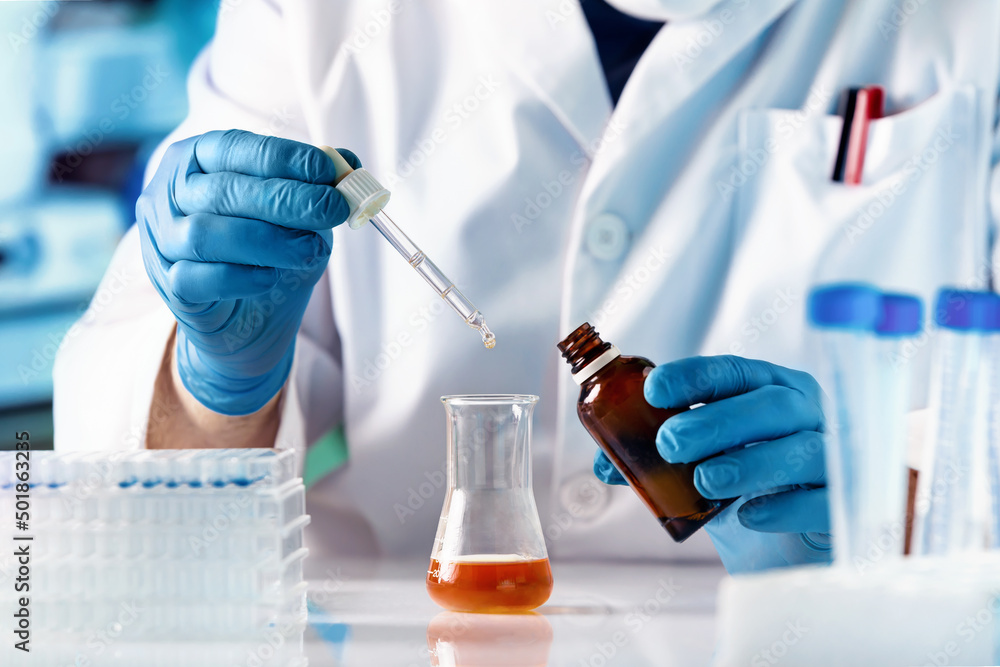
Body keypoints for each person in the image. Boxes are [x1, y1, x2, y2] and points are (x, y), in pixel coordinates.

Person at [54, 0, 999, 573]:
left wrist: (906, 498)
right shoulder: (317, 17)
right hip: (405, 634)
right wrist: (214, 377)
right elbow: (135, 506)